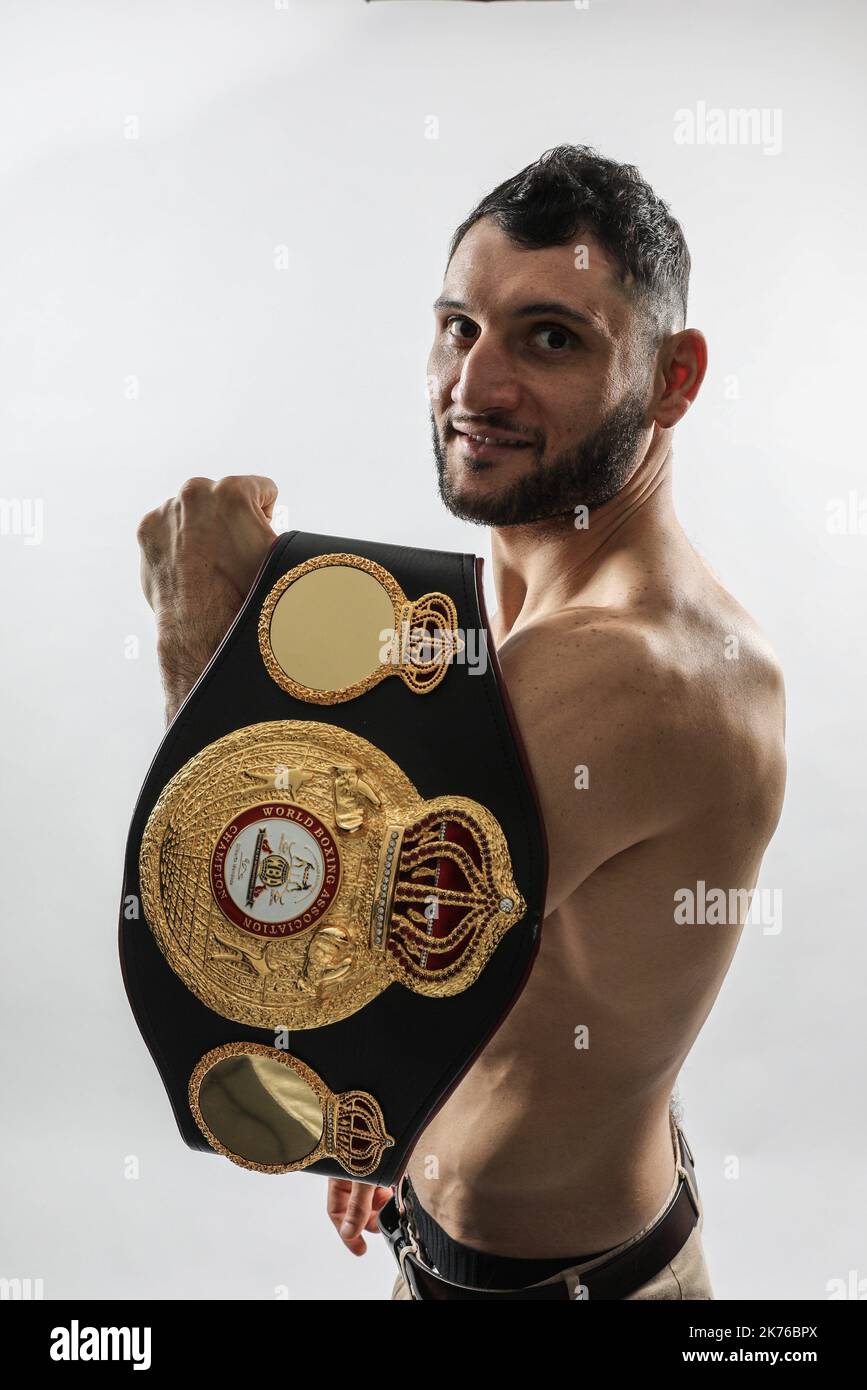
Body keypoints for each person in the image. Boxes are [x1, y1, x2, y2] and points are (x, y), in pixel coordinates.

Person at [137, 145, 787, 1300]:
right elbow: (482, 939)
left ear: (675, 379)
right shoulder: (514, 609)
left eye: (551, 339)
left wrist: (201, 645)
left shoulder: (635, 667)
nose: (475, 389)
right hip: (468, 1254)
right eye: (459, 327)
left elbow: (257, 961)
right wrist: (404, 1110)